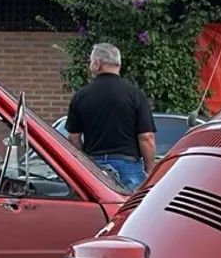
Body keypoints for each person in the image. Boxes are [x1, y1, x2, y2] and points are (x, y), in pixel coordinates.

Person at [65, 42, 156, 191]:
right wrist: (150, 169)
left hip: (94, 167)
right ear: (118, 64)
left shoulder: (81, 96)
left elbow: (74, 138)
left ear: (97, 64)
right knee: (131, 212)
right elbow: (146, 137)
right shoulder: (135, 95)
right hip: (128, 166)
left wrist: (84, 163)